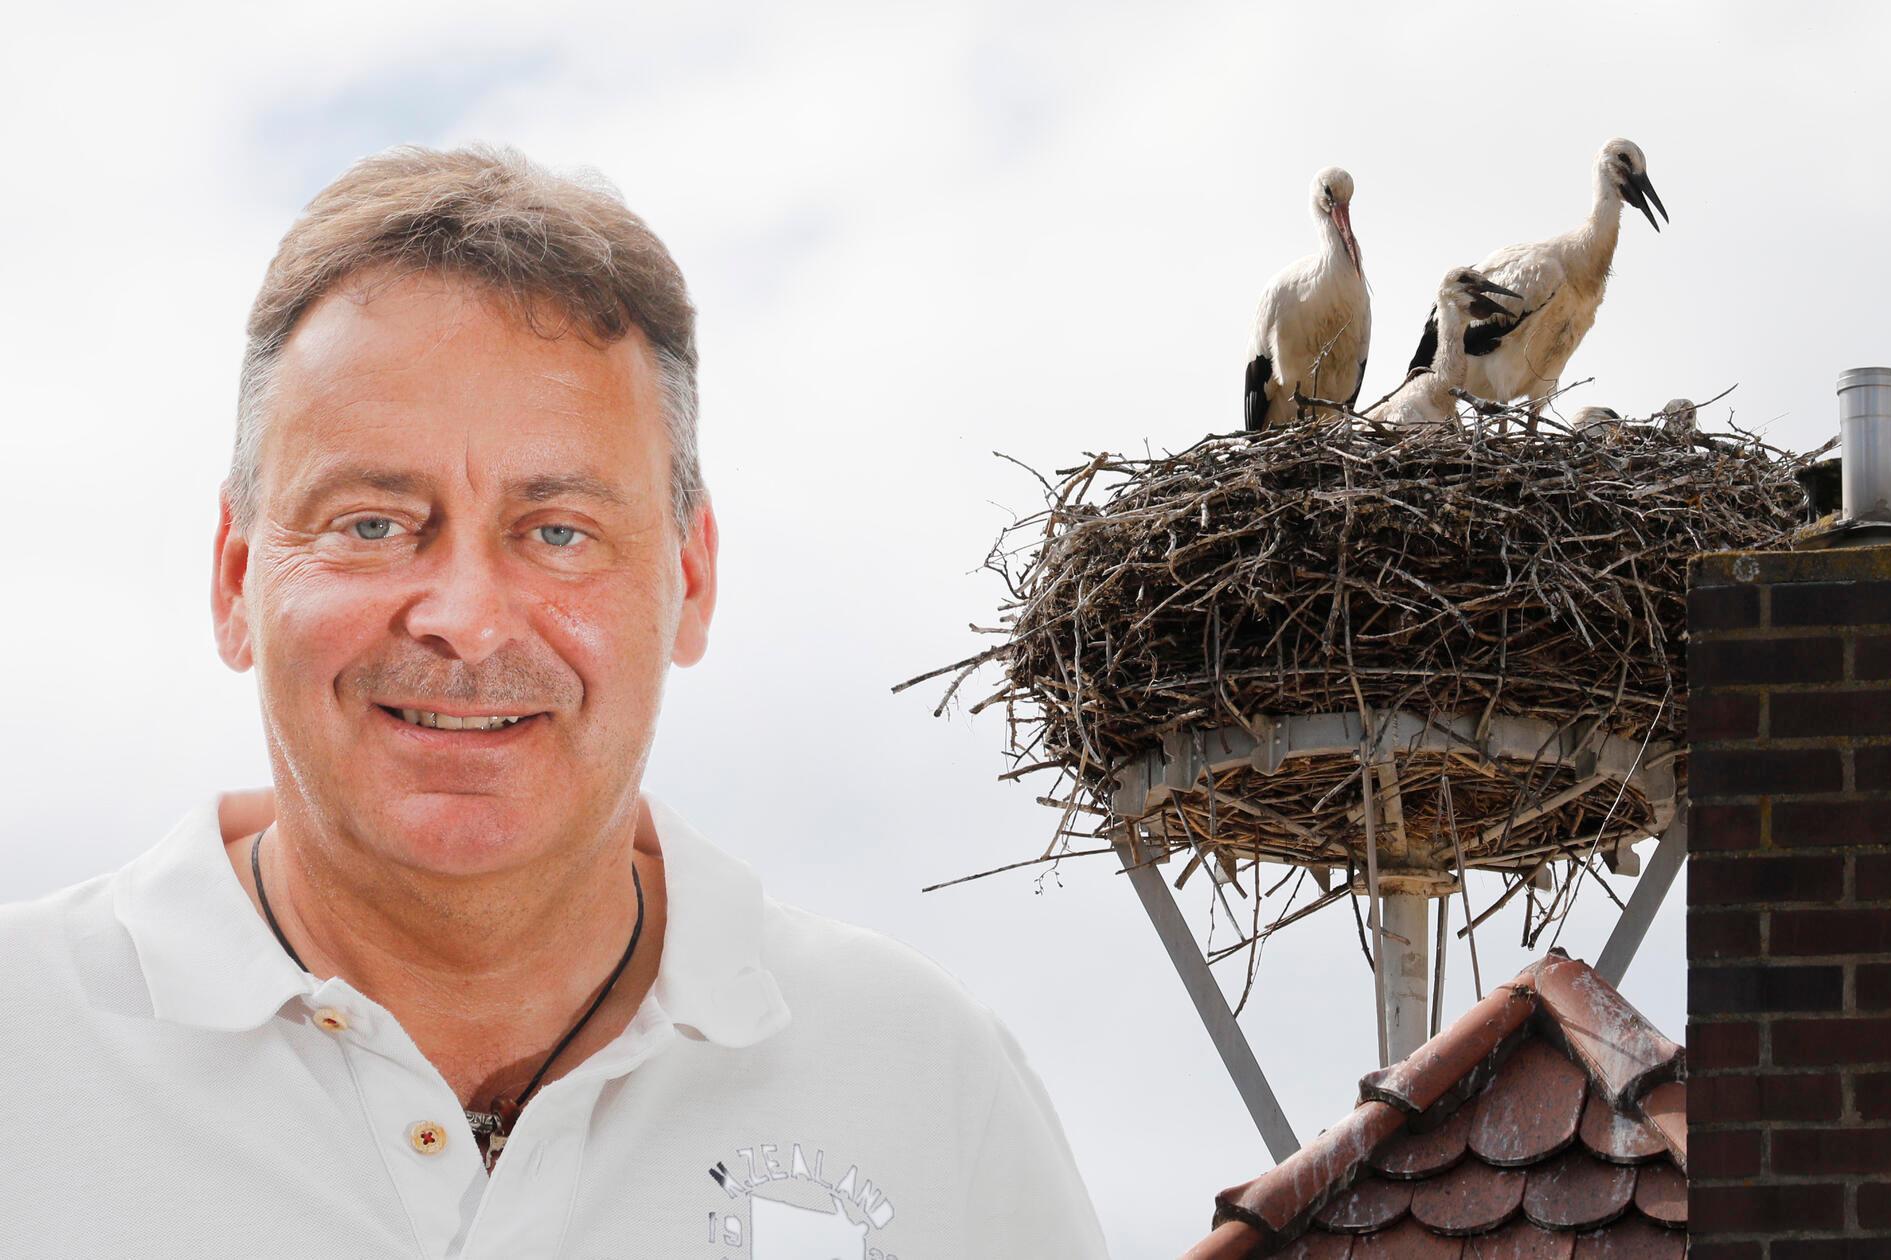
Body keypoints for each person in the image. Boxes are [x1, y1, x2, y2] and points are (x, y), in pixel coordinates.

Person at [0, 144, 1109, 1258]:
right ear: (237, 580)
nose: (467, 617)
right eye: (373, 523)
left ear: (689, 580)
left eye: (559, 533)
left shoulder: (923, 1076)